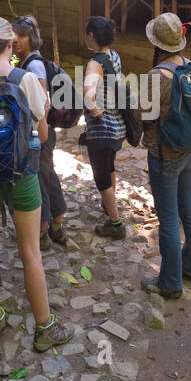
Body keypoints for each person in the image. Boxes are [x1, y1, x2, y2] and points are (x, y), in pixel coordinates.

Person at [0, 17, 73, 351]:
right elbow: (44, 135)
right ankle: (44, 327)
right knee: (30, 253)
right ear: (11, 45)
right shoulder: (28, 80)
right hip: (23, 176)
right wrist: (44, 113)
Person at [140, 12, 191, 300]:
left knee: (167, 218)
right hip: (190, 149)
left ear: (158, 44)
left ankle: (170, 282)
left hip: (164, 153)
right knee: (188, 208)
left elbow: (146, 115)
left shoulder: (158, 76)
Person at [11, 16, 68, 251]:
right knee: (47, 173)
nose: (16, 41)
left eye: (21, 36)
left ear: (31, 38)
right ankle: (56, 225)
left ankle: (44, 230)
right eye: (14, 36)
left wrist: (36, 132)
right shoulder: (29, 62)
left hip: (39, 133)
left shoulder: (33, 65)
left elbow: (42, 102)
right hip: (41, 131)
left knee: (40, 177)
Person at [82, 16, 127, 240]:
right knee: (109, 167)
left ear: (91, 36)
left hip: (102, 130)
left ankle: (115, 223)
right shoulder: (114, 56)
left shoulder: (94, 63)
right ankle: (109, 206)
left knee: (101, 177)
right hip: (118, 127)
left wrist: (94, 109)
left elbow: (88, 89)